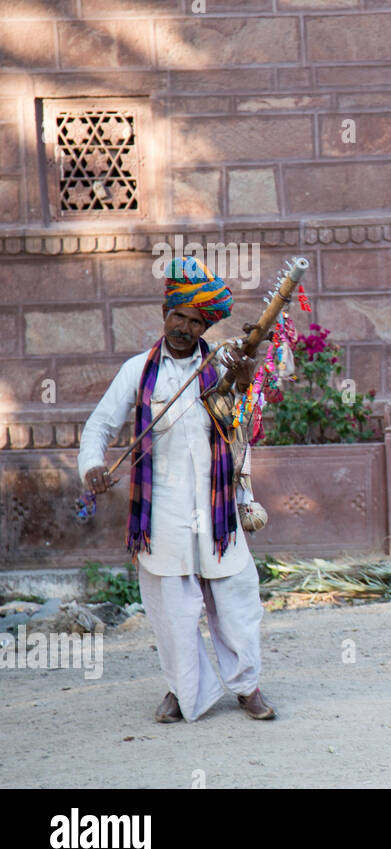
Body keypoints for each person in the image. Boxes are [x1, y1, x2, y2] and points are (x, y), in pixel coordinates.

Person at [78, 256, 276, 723]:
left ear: (205, 324)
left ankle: (247, 687)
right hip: (162, 511)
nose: (184, 327)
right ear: (165, 312)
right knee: (172, 612)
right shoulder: (136, 371)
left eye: (195, 320)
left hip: (218, 508)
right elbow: (99, 427)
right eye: (178, 315)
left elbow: (246, 415)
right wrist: (93, 467)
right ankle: (182, 690)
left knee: (236, 601)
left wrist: (247, 374)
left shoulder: (222, 363)